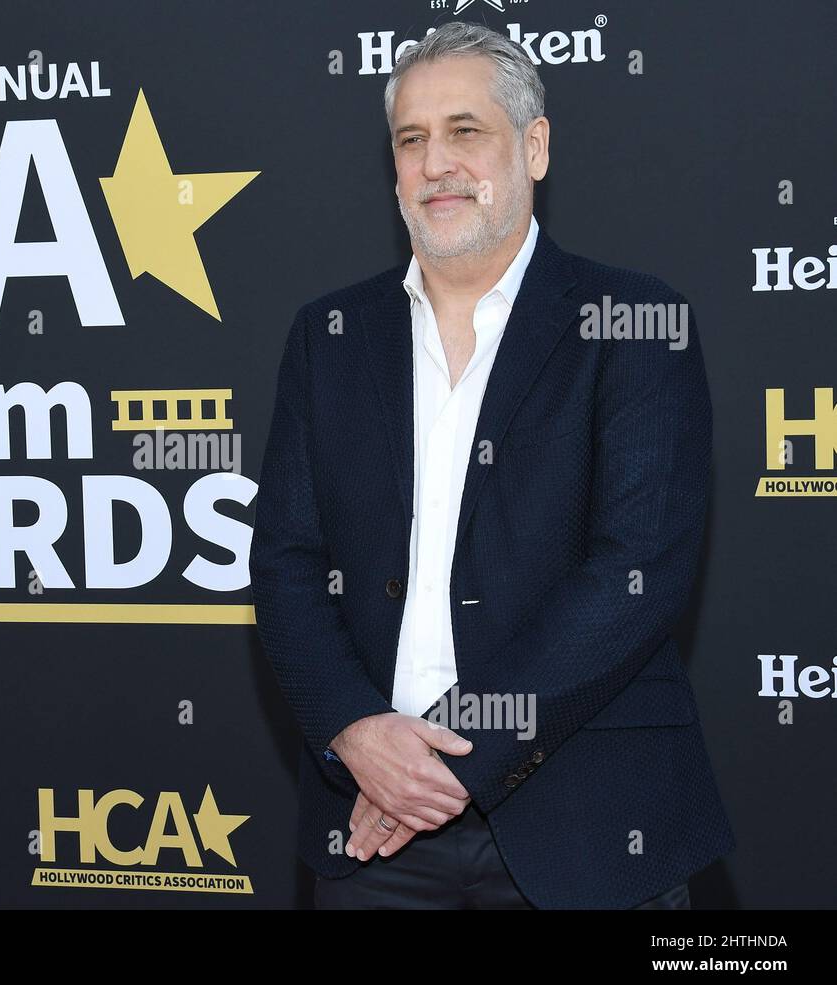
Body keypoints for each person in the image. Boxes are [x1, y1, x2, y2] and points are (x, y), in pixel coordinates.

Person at [248, 21, 735, 909]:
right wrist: (356, 731)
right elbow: (284, 561)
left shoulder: (636, 321)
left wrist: (447, 751)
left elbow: (636, 570)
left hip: (588, 828)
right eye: (411, 139)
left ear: (535, 146)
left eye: (466, 131)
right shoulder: (329, 338)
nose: (436, 163)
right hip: (371, 826)